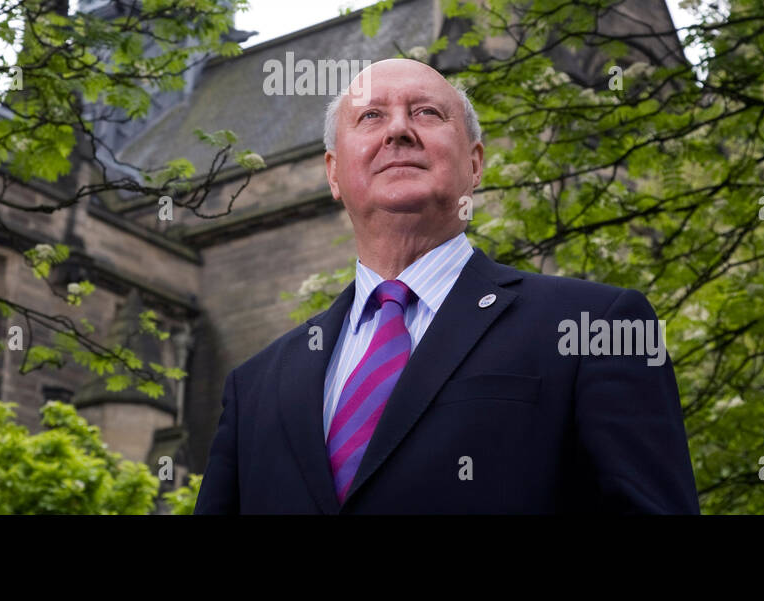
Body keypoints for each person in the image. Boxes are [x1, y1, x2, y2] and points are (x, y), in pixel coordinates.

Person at [194, 58, 700, 513]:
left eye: (427, 114)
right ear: (333, 173)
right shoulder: (254, 386)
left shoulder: (594, 325)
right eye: (371, 116)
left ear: (475, 164)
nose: (398, 131)